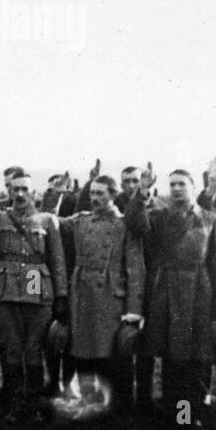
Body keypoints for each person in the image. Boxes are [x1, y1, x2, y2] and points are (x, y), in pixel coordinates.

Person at [126, 165, 216, 426]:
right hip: (166, 293)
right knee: (173, 359)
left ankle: (194, 411)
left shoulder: (209, 219)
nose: (176, 188)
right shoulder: (158, 216)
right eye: (171, 184)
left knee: (199, 357)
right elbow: (135, 222)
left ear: (193, 188)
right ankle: (178, 415)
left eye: (181, 184)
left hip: (199, 294)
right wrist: (141, 192)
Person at [0, 169, 68, 421]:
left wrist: (62, 294)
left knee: (33, 348)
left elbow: (57, 260)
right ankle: (13, 403)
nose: (20, 194)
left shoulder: (47, 220)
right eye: (15, 189)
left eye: (25, 189)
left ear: (33, 192)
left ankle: (32, 404)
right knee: (12, 348)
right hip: (6, 291)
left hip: (37, 290)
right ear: (8, 191)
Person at [42, 174, 145, 411]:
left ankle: (118, 410)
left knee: (112, 356)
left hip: (110, 298)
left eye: (101, 193)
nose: (95, 198)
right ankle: (90, 406)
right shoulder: (81, 221)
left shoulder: (123, 225)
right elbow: (51, 222)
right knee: (83, 355)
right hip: (82, 296)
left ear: (113, 195)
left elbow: (136, 271)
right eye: (92, 193)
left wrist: (134, 312)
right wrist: (55, 194)